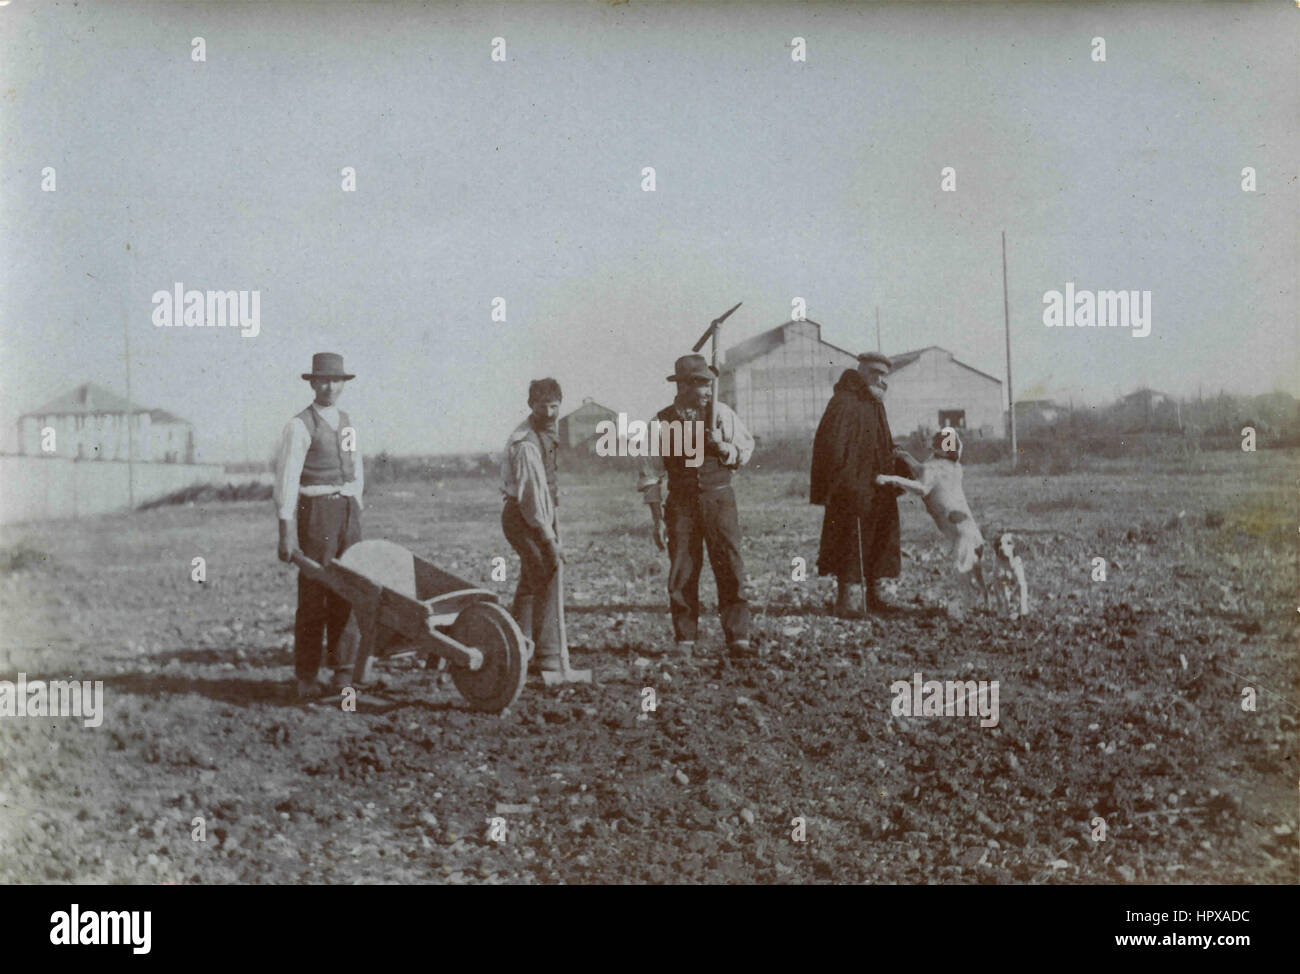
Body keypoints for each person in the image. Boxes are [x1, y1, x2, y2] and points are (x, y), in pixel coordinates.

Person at [637, 354, 756, 658]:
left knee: (730, 565)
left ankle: (738, 636)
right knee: (683, 571)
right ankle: (685, 639)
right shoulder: (661, 423)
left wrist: (722, 447)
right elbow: (650, 474)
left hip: (719, 499)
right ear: (683, 386)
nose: (707, 390)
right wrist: (657, 520)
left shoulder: (721, 414)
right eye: (701, 384)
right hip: (681, 505)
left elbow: (744, 450)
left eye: (708, 383)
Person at [274, 352, 364, 700]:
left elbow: (356, 470)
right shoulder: (299, 426)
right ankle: (307, 676)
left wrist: (354, 508)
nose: (330, 386)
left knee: (350, 590)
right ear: (312, 383)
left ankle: (343, 672)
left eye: (336, 380)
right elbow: (286, 480)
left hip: (346, 514)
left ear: (343, 384)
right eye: (323, 380)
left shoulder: (347, 423)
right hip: (314, 515)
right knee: (314, 597)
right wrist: (286, 531)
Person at [810, 351, 903, 617]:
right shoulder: (844, 402)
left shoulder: (875, 403)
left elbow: (882, 442)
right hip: (852, 489)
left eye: (884, 375)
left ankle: (876, 596)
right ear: (861, 372)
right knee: (850, 541)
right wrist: (843, 483)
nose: (881, 380)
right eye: (875, 374)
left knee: (881, 540)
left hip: (879, 487)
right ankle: (847, 601)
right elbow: (830, 446)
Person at [501, 378, 565, 673]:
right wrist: (548, 537)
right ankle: (547, 655)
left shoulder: (547, 432)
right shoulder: (525, 442)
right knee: (547, 570)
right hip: (523, 517)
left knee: (533, 577)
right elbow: (530, 500)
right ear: (531, 405)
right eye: (543, 406)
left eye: (555, 406)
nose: (550, 412)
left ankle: (518, 648)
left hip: (537, 513)